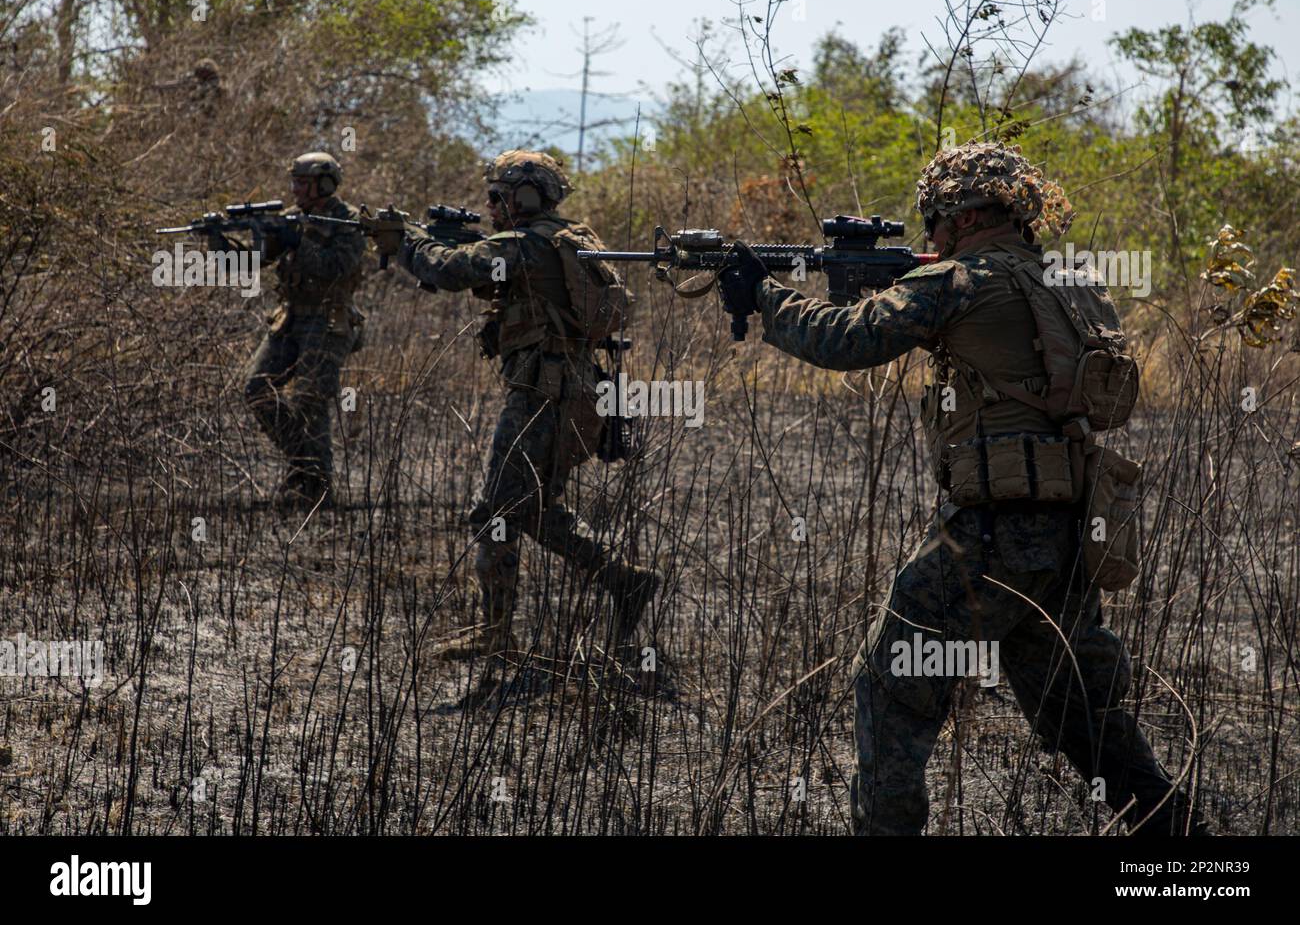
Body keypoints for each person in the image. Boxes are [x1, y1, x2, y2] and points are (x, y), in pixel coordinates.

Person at [717, 141, 1207, 835]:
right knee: (1082, 719)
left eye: (934, 220)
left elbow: (845, 342)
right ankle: (1188, 848)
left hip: (988, 536)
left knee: (889, 689)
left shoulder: (957, 282)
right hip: (1070, 538)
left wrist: (764, 292)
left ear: (962, 215)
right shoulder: (1070, 281)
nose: (929, 236)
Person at [395, 150, 658, 662]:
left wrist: (410, 241)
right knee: (534, 510)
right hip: (578, 396)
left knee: (496, 510)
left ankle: (497, 634)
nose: (490, 205)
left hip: (544, 398)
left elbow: (449, 270)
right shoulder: (567, 239)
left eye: (499, 196)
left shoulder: (524, 245)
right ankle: (625, 580)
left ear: (527, 197)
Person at [226, 151, 366, 509]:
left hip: (329, 319)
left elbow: (338, 266)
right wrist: (223, 246)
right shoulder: (290, 219)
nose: (296, 190)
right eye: (294, 182)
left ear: (326, 183)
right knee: (257, 389)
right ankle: (304, 466)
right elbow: (253, 262)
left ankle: (317, 488)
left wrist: (298, 243)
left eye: (303, 183)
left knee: (310, 400)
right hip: (291, 318)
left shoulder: (347, 221)